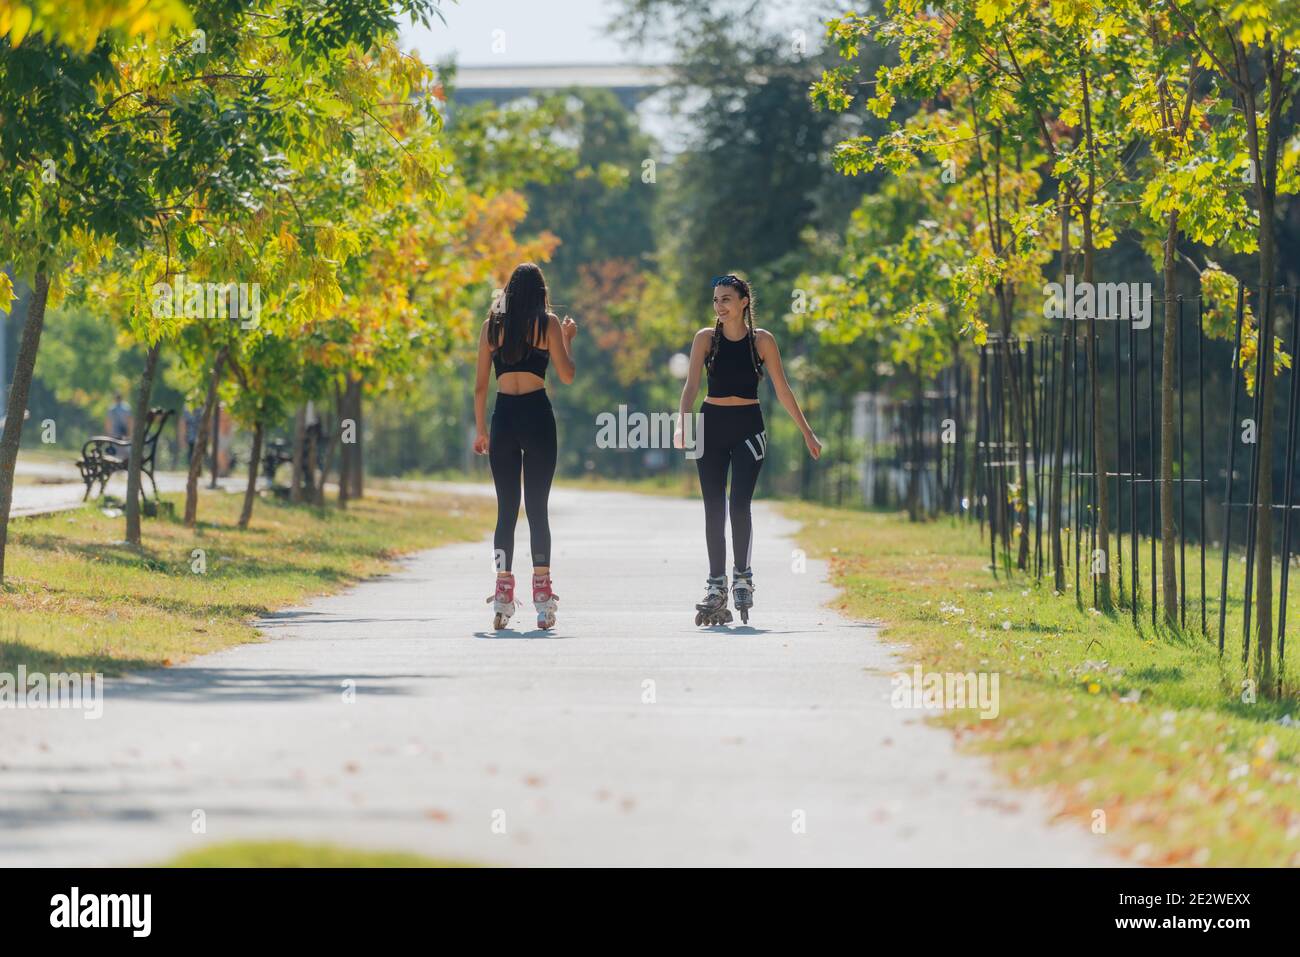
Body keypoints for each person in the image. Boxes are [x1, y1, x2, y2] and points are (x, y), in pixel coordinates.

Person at [675, 274, 821, 625]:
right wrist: (682, 422)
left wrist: (807, 432)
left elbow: (783, 390)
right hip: (710, 427)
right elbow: (691, 385)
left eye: (726, 299)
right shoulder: (705, 339)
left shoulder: (762, 341)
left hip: (748, 428)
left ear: (744, 302)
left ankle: (743, 578)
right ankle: (715, 585)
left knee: (739, 504)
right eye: (715, 300)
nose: (719, 306)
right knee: (713, 507)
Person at [473, 263, 577, 630]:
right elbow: (567, 375)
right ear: (540, 292)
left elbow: (480, 386)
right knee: (537, 509)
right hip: (537, 417)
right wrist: (566, 339)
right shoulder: (547, 324)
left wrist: (481, 430)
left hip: (504, 418)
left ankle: (502, 594)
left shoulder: (492, 327)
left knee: (505, 511)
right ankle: (544, 598)